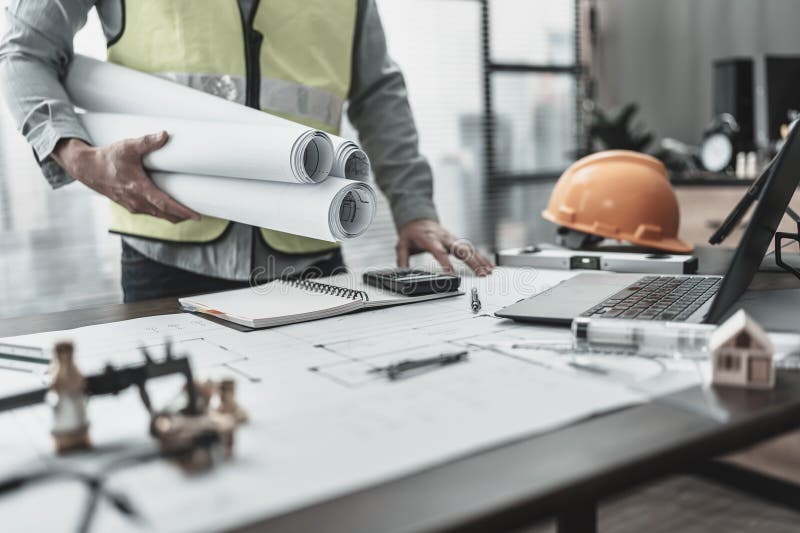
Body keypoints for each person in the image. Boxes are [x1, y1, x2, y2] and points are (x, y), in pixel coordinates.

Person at [0, 0, 493, 302]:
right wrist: (80, 157)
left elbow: (378, 91)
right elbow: (24, 49)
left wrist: (416, 211)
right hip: (168, 261)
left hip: (311, 249)